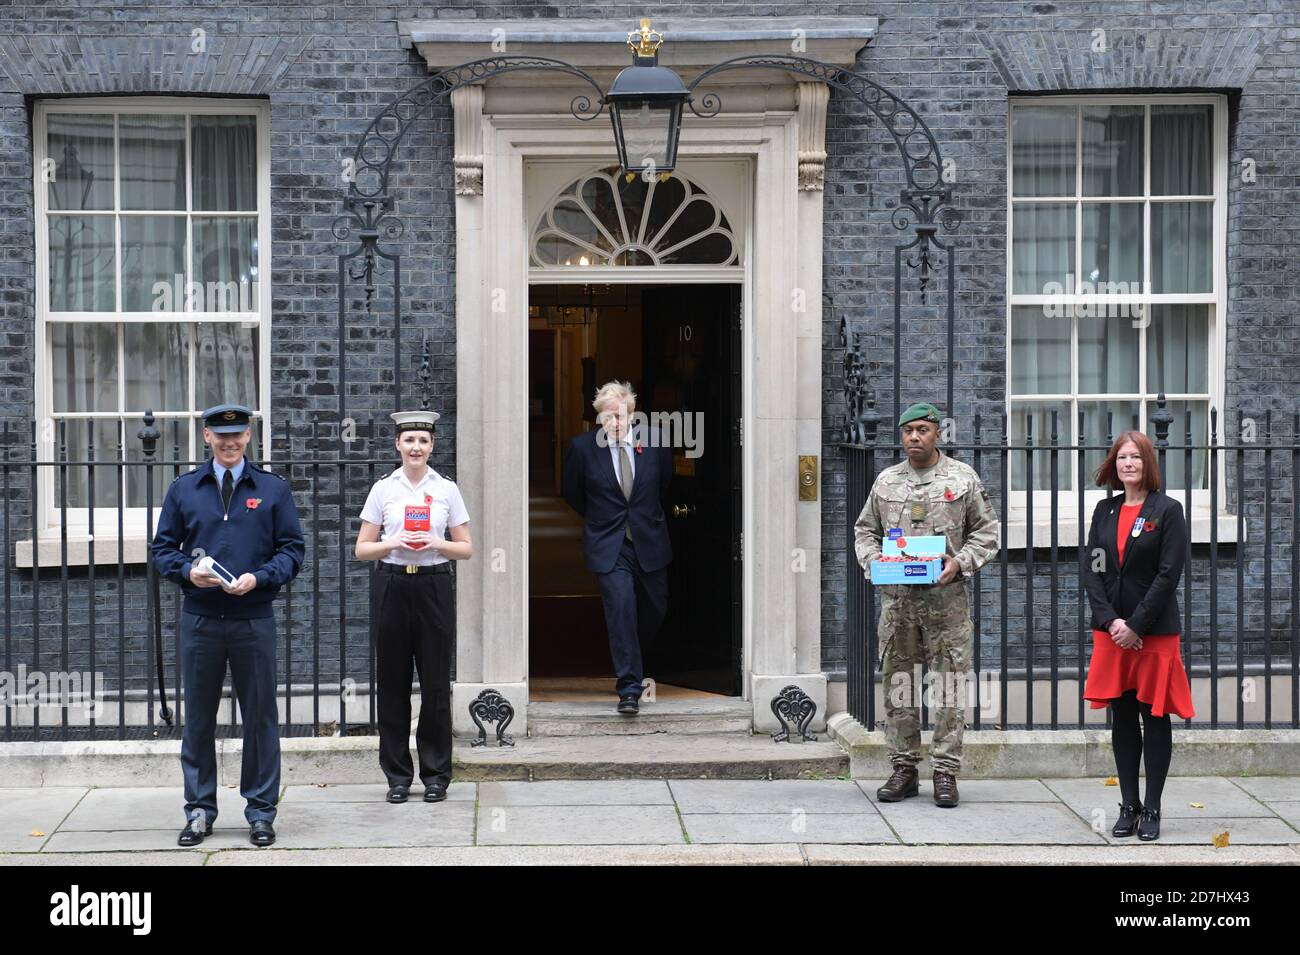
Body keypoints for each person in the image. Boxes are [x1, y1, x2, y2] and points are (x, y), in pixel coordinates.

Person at [151, 403, 304, 847]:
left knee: (260, 718)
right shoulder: (184, 489)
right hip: (200, 620)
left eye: (238, 434)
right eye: (222, 436)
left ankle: (260, 811)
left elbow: (292, 550)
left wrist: (261, 577)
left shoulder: (272, 490)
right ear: (206, 437)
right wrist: (187, 571)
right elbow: (163, 549)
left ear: (249, 436)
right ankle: (199, 810)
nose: (230, 442)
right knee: (198, 718)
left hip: (253, 619)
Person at [854, 402, 999, 807]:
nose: (914, 437)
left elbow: (987, 532)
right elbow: (865, 530)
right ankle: (903, 769)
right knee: (898, 688)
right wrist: (874, 562)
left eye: (922, 430)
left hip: (946, 603)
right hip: (898, 604)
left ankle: (945, 773)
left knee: (949, 688)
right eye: (907, 431)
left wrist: (960, 562)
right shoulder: (886, 482)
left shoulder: (961, 478)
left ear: (938, 433)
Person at [355, 409, 472, 804]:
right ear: (398, 445)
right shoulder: (383, 489)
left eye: (423, 441)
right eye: (409, 440)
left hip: (434, 583)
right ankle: (398, 776)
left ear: (432, 445)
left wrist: (436, 543)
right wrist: (395, 541)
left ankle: (436, 774)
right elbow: (362, 548)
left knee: (436, 684)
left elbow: (467, 548)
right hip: (392, 583)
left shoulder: (446, 489)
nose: (416, 447)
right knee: (392, 683)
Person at [1082, 431, 1193, 842]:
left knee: (1155, 714)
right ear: (1114, 465)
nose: (1129, 464)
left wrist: (1135, 626)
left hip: (1153, 633)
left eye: (1136, 457)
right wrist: (1111, 622)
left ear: (1149, 464)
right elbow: (1092, 568)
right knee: (1123, 716)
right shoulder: (1104, 511)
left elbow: (1169, 574)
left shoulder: (1168, 511)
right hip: (1111, 633)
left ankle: (1153, 808)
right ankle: (1128, 805)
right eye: (1122, 457)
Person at [561, 381, 672, 715]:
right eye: (608, 416)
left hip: (649, 542)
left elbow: (664, 486)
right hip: (609, 545)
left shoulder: (655, 445)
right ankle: (629, 688)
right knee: (621, 609)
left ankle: (633, 656)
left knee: (655, 608)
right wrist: (601, 521)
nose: (615, 422)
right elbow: (572, 493)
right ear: (599, 419)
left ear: (632, 414)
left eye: (621, 415)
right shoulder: (581, 449)